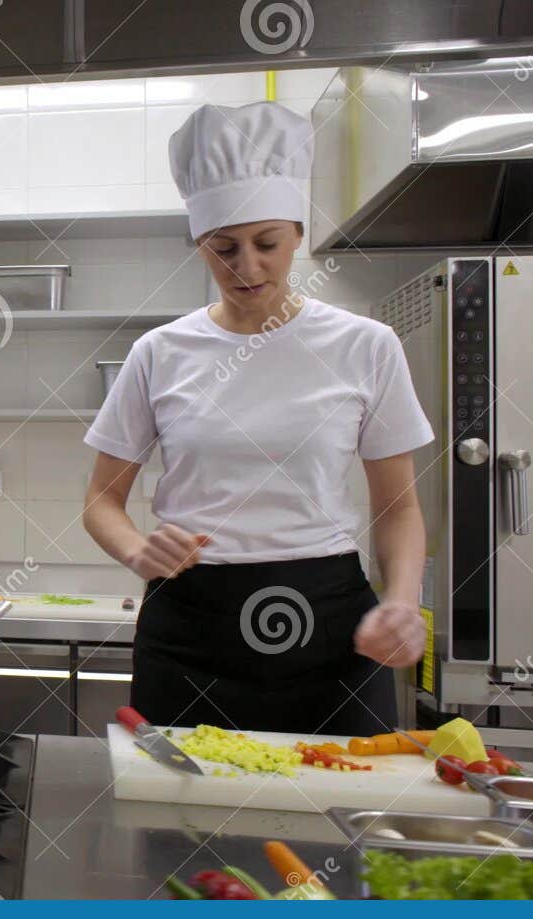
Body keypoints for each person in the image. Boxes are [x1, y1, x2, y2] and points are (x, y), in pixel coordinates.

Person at [82, 103, 431, 735]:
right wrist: (138, 549)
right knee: (179, 824)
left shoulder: (367, 345)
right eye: (224, 248)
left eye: (266, 244)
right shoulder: (159, 353)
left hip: (329, 628)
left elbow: (398, 508)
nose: (247, 267)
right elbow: (101, 502)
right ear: (199, 245)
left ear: (298, 233)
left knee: (338, 817)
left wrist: (403, 602)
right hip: (190, 624)